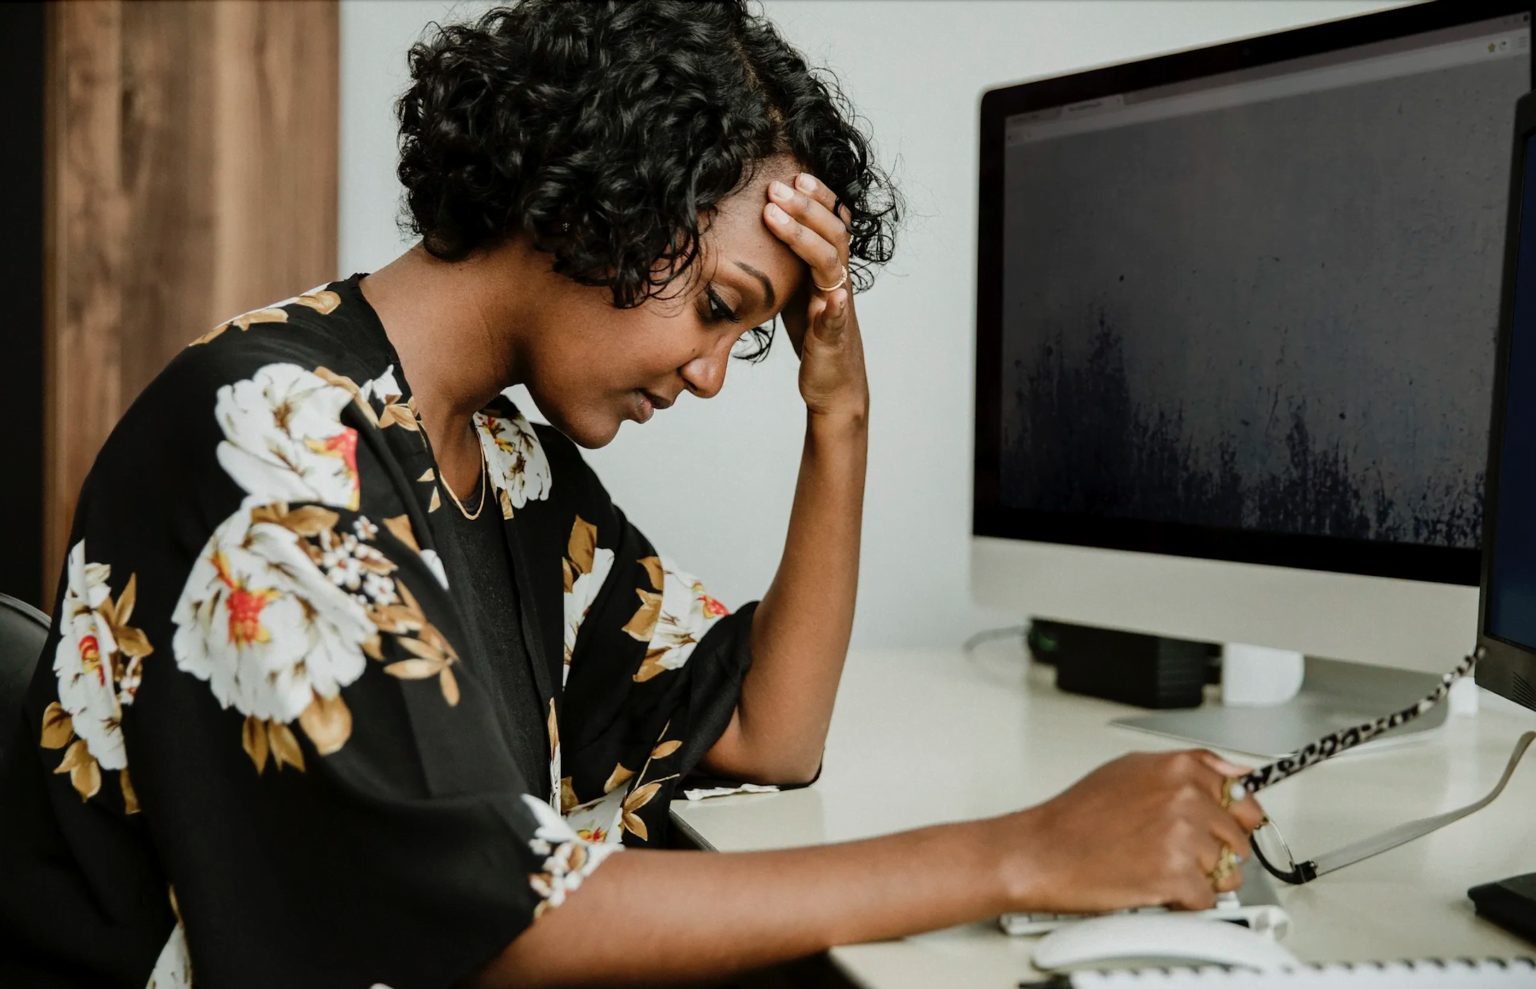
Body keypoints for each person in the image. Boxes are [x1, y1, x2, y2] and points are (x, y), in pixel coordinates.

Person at [0, 2, 1264, 986]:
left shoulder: (500, 465)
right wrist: (1025, 851)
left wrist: (839, 414)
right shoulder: (273, 438)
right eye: (716, 305)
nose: (710, 374)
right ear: (605, 192)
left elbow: (770, 729)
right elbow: (503, 924)